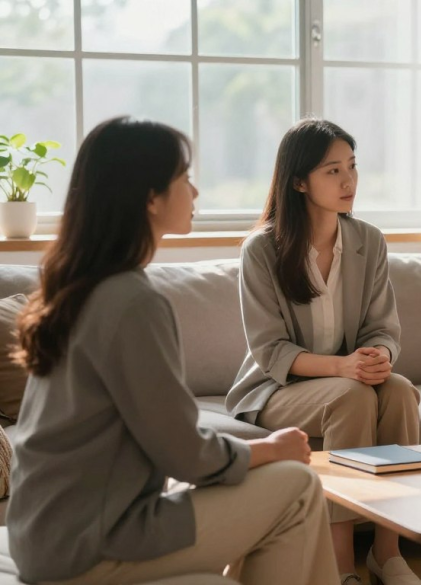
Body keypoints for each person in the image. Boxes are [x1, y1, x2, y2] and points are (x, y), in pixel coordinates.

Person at [5, 116, 337, 585]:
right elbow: (185, 453)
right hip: (92, 545)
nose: (196, 193)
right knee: (298, 485)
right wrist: (270, 448)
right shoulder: (131, 300)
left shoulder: (78, 288)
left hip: (46, 535)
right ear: (150, 198)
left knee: (276, 492)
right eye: (185, 179)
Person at [226, 118, 421, 585]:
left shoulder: (368, 240)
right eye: (332, 171)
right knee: (349, 396)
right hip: (276, 388)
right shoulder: (261, 250)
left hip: (348, 377)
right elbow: (269, 349)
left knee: (399, 391)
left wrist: (378, 355)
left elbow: (383, 326)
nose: (349, 180)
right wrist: (344, 368)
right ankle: (341, 564)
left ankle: (387, 552)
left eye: (352, 167)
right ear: (299, 181)